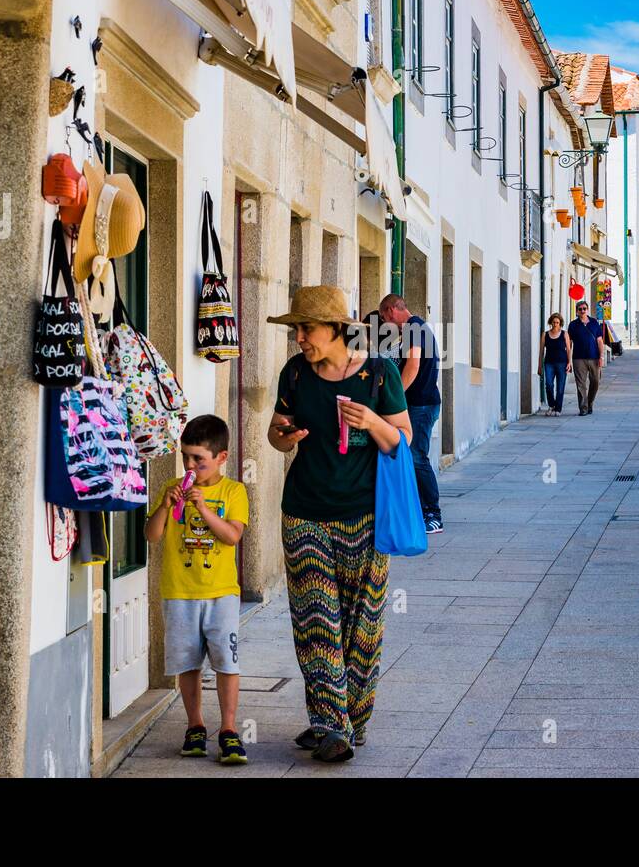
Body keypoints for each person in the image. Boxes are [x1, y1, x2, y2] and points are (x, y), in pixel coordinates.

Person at [266, 285, 412, 763]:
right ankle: (330, 722)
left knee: (361, 625)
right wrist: (286, 438)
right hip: (305, 512)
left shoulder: (378, 374)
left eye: (306, 329)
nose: (300, 338)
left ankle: (351, 719)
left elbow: (402, 440)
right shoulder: (295, 375)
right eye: (297, 330)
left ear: (336, 331)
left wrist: (372, 420)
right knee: (315, 621)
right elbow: (276, 433)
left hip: (365, 516)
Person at [144, 415, 250, 765]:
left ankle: (229, 729)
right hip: (179, 592)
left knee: (226, 662)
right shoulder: (171, 489)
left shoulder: (233, 492)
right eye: (186, 457)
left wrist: (203, 509)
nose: (190, 465)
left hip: (220, 593)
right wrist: (164, 505)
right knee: (187, 662)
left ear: (221, 458)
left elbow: (232, 535)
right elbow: (153, 535)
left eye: (198, 460)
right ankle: (195, 726)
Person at [379, 293, 443, 534]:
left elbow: (413, 365)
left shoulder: (415, 327)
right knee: (411, 456)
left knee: (417, 456)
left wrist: (397, 398)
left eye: (383, 317)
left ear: (390, 310)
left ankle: (434, 514)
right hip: (418, 404)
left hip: (421, 405)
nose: (384, 323)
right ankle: (419, 510)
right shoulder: (414, 329)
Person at [567, 300, 605, 416]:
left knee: (595, 382)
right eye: (580, 309)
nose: (582, 311)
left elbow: (599, 341)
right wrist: (569, 360)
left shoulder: (594, 323)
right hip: (578, 358)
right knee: (581, 384)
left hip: (594, 358)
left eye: (584, 308)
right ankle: (583, 408)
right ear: (577, 311)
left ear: (587, 310)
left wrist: (601, 356)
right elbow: (570, 343)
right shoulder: (573, 325)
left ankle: (589, 403)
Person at [538, 312, 571, 416]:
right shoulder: (545, 334)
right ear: (550, 322)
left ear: (560, 323)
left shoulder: (564, 334)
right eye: (553, 322)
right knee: (548, 385)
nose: (555, 324)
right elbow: (541, 351)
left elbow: (569, 349)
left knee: (560, 387)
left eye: (557, 322)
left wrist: (569, 363)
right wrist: (539, 366)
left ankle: (558, 409)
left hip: (562, 363)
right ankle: (551, 405)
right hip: (549, 363)